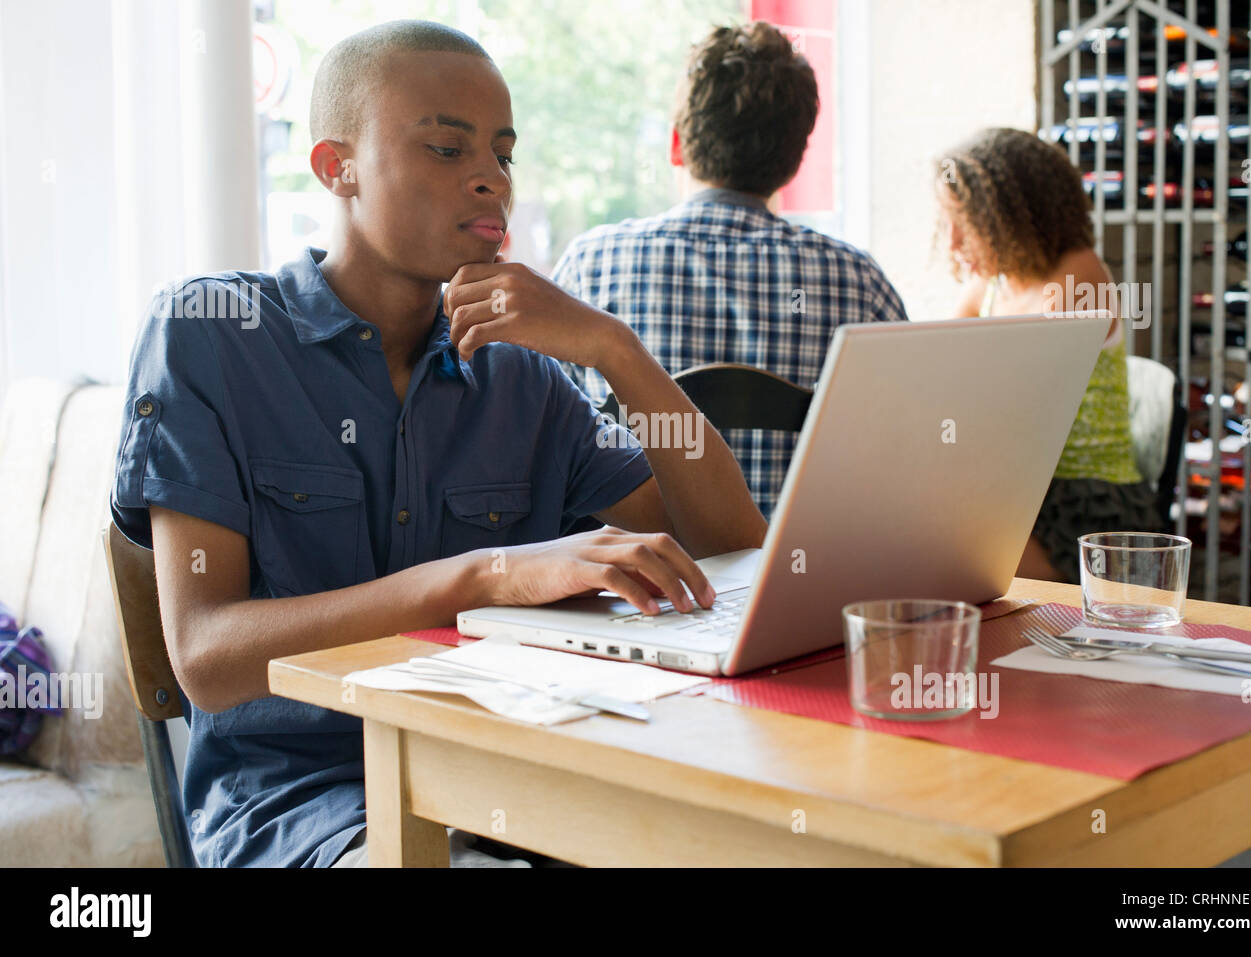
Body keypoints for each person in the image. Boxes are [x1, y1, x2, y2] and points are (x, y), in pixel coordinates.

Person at [109, 20, 766, 869]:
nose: (490, 179)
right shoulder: (212, 337)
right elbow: (205, 658)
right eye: (448, 150)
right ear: (334, 166)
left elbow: (729, 547)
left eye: (502, 154)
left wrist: (614, 348)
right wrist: (485, 574)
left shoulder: (521, 379)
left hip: (516, 780)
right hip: (306, 806)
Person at [553, 21, 908, 519]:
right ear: (795, 159)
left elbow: (550, 455)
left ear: (678, 145)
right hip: (805, 589)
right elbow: (905, 460)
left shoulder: (589, 269)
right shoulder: (860, 283)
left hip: (637, 591)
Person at [935, 127, 1163, 584]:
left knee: (944, 561)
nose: (953, 244)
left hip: (1085, 506)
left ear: (1014, 218)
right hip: (1021, 492)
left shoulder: (1077, 277)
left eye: (967, 224)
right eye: (946, 223)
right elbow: (939, 369)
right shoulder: (995, 283)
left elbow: (1014, 417)